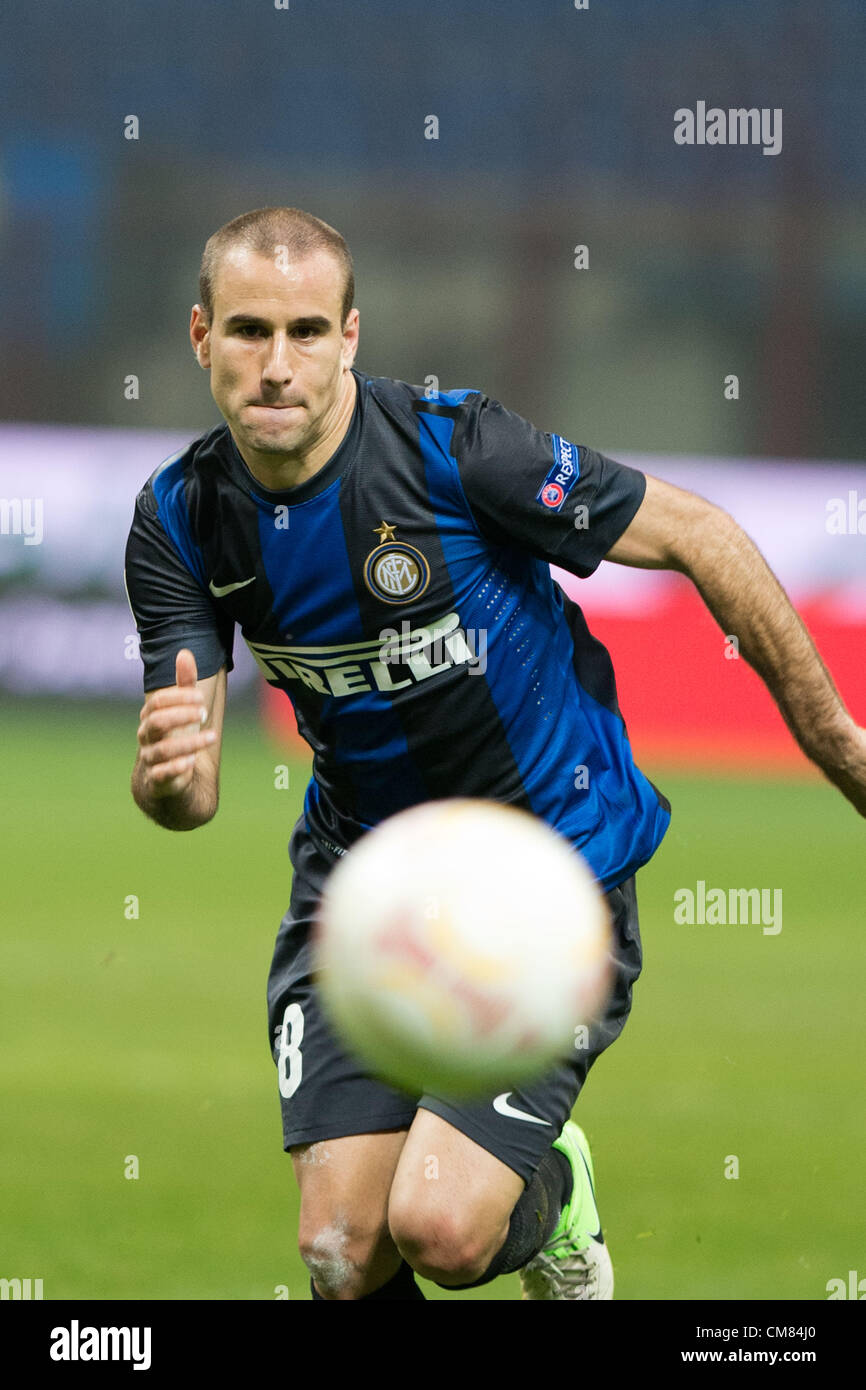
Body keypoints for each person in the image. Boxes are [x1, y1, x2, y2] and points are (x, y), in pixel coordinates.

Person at [125, 207, 866, 1302]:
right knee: (339, 1251)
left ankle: (554, 1200)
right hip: (364, 881)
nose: (276, 364)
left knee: (439, 1229)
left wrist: (840, 745)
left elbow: (698, 534)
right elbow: (187, 795)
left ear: (349, 336)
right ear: (199, 337)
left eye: (305, 331)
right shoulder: (181, 518)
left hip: (546, 872)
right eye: (246, 331)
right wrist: (166, 785)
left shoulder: (454, 453)